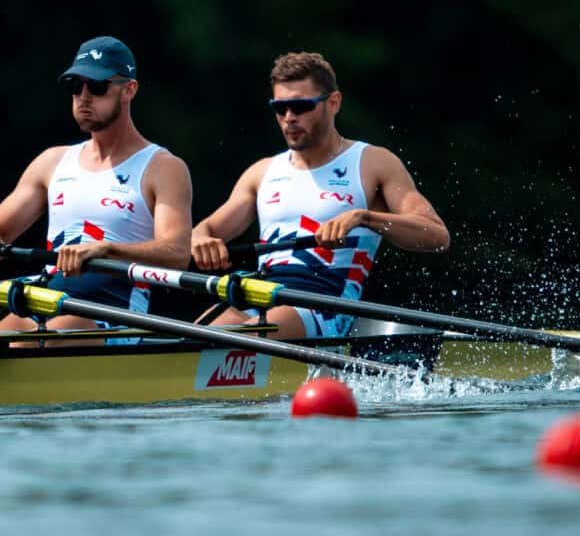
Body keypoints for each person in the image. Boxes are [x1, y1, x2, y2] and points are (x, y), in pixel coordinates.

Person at [188, 50, 449, 338]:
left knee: (232, 338)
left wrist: (364, 218)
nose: (289, 118)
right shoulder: (262, 172)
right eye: (280, 108)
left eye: (301, 106)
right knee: (190, 340)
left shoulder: (372, 162)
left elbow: (436, 235)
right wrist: (201, 240)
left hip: (325, 304)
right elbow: (205, 229)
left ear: (333, 103)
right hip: (260, 295)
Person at [0, 36, 193, 338]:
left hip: (115, 316)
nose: (84, 97)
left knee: (48, 335)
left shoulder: (163, 167)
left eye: (97, 87)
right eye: (75, 86)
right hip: (48, 303)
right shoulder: (52, 162)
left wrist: (106, 249)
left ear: (129, 90)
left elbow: (177, 253)